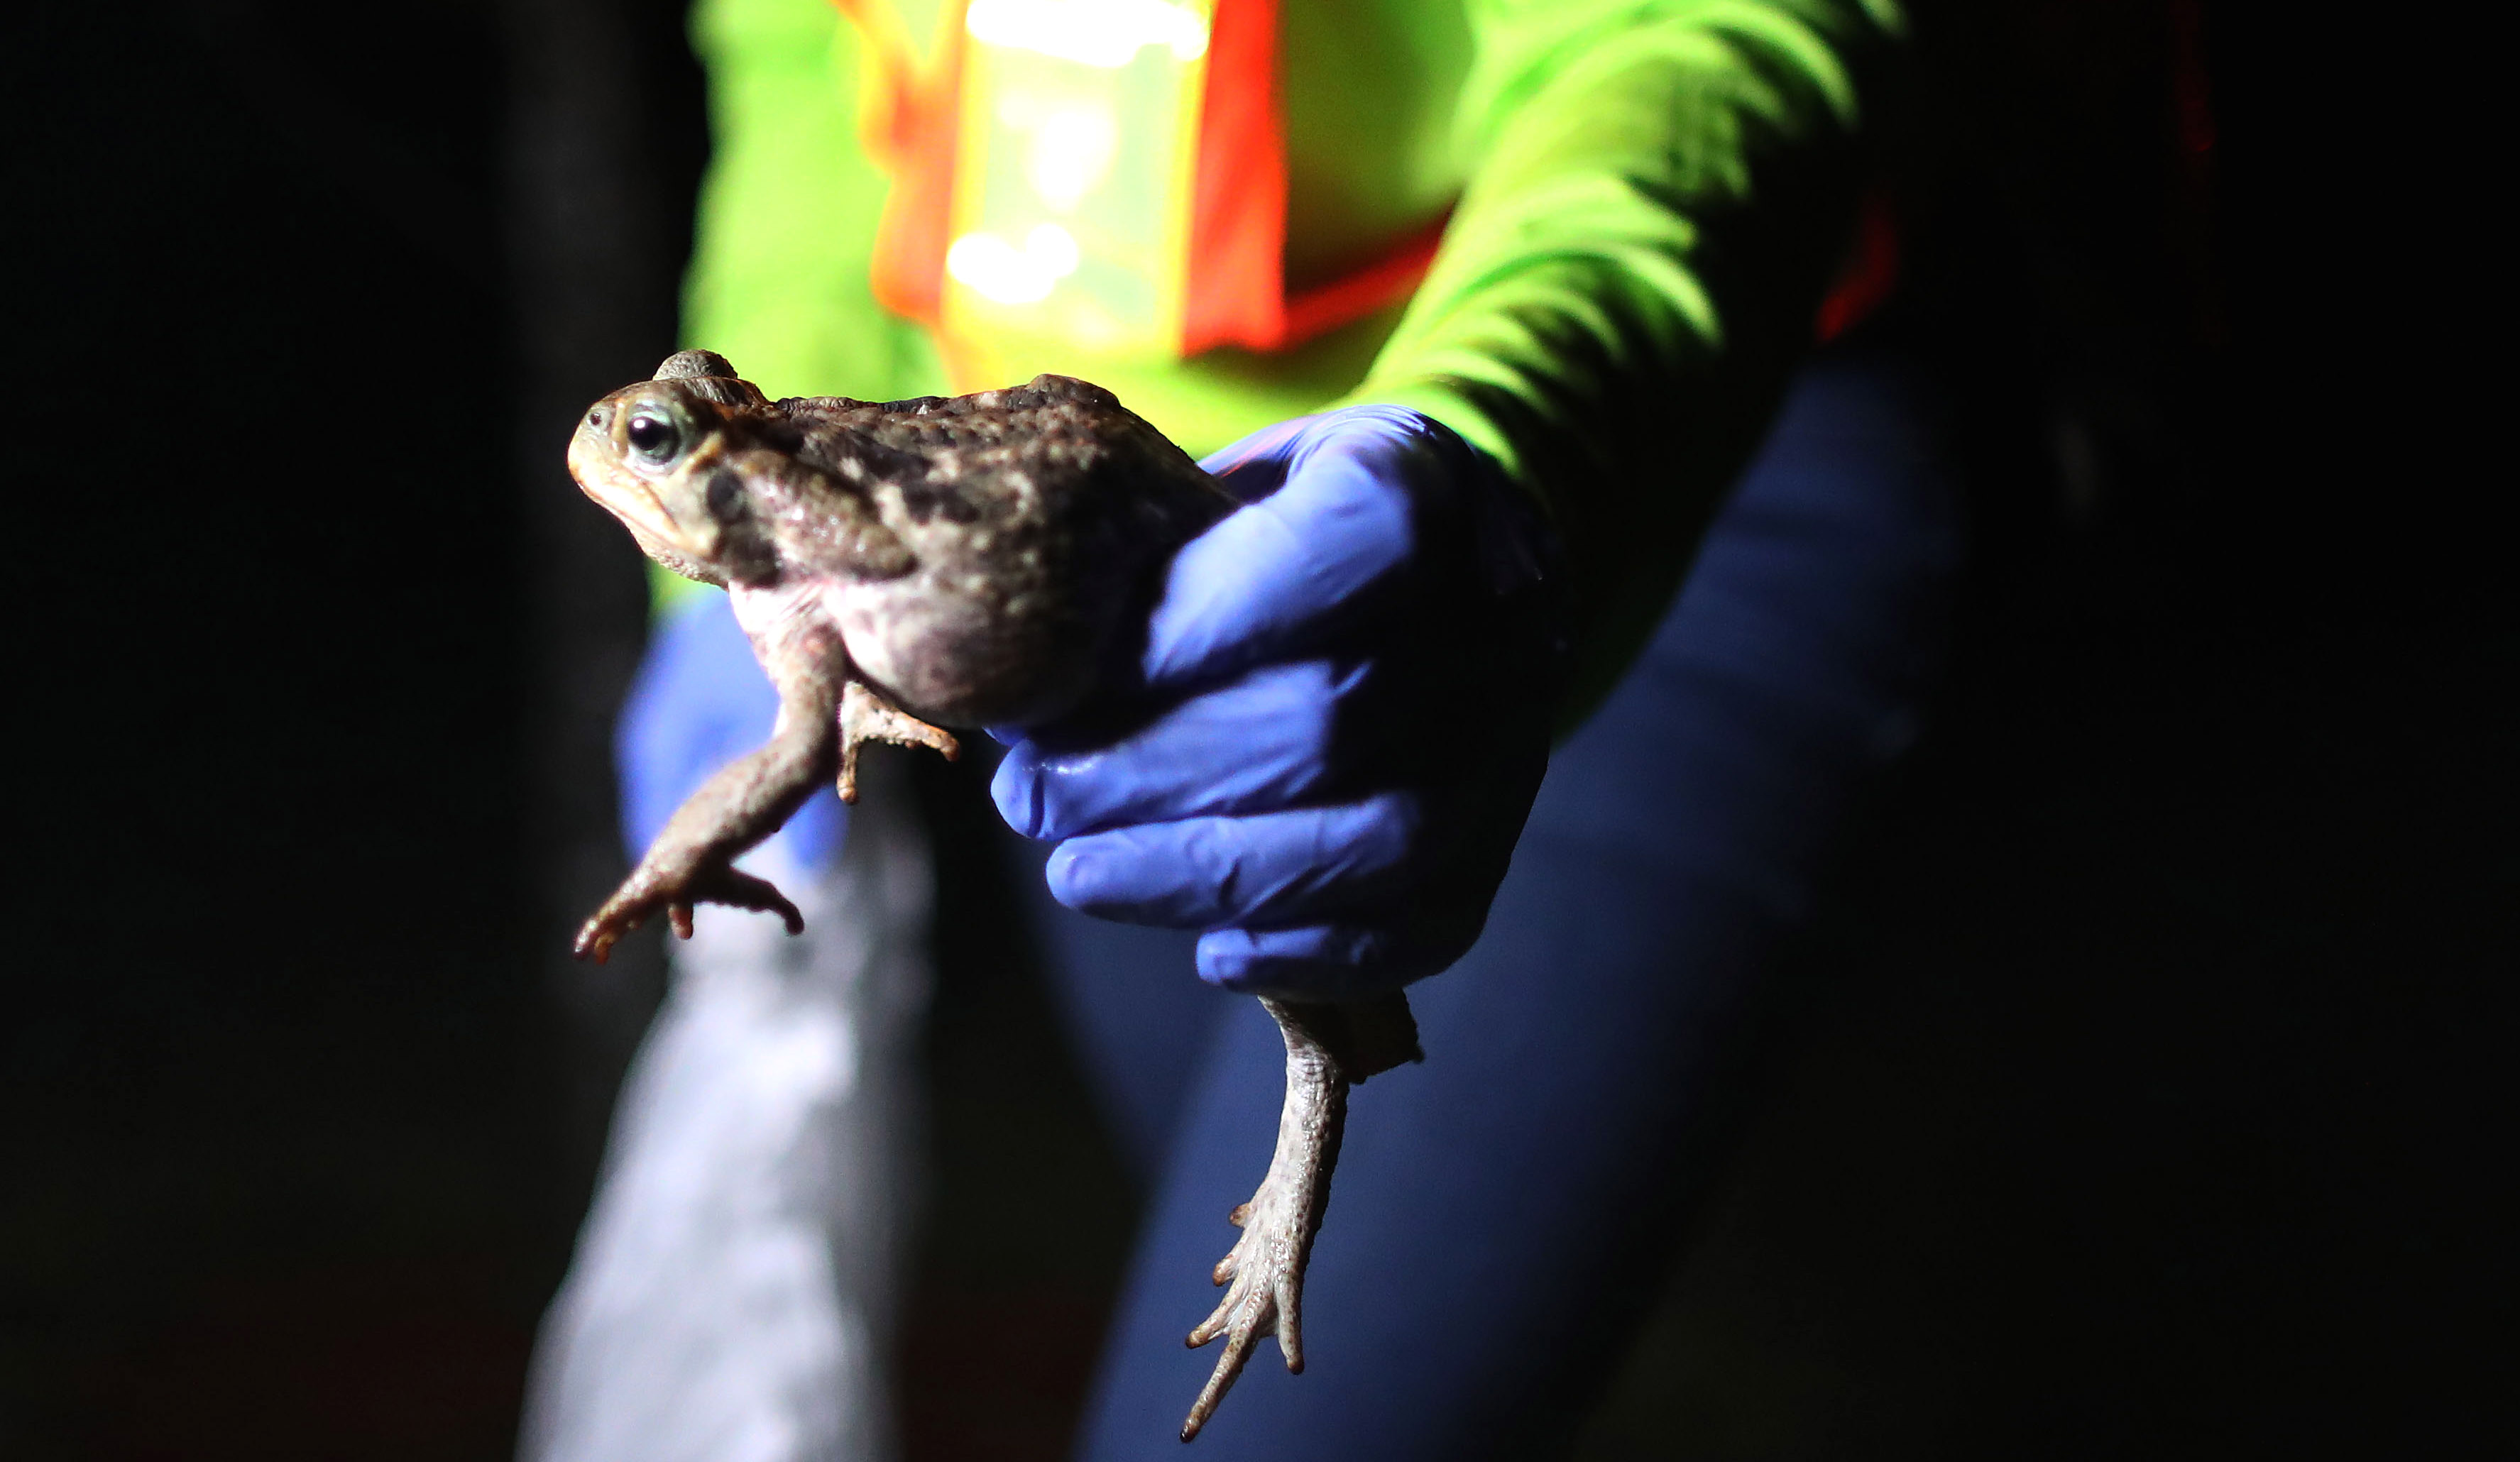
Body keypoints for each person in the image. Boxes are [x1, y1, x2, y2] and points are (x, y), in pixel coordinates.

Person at [523, 0, 1956, 1456]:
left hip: (1628, 439)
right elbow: (816, 71)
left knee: (1292, 1388)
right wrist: (762, 470)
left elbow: (1702, 28)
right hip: (1087, 586)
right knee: (1292, 1238)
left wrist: (1507, 443)